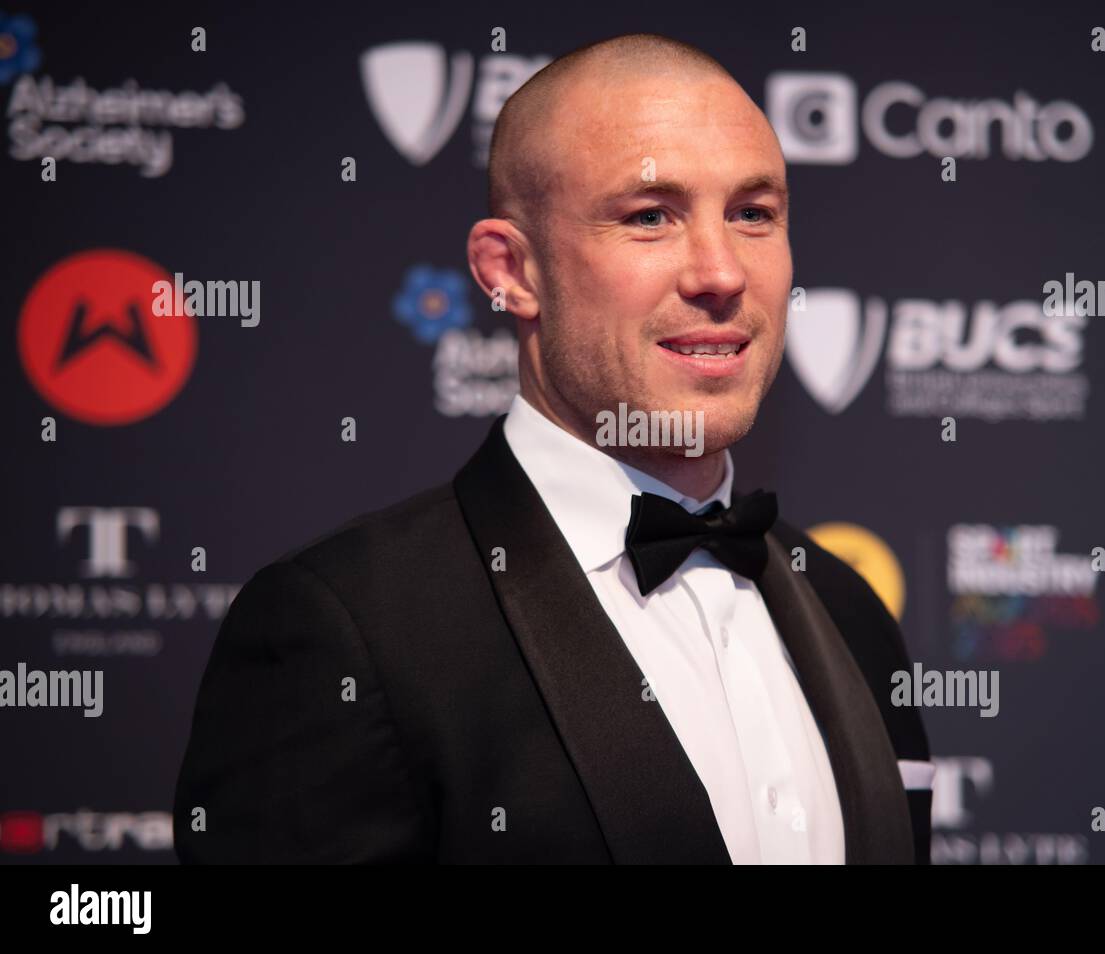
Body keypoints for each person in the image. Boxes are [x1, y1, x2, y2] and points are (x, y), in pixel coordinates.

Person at [174, 32, 932, 864]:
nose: (721, 272)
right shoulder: (346, 630)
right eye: (650, 217)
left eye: (753, 214)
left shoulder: (850, 610)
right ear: (512, 272)